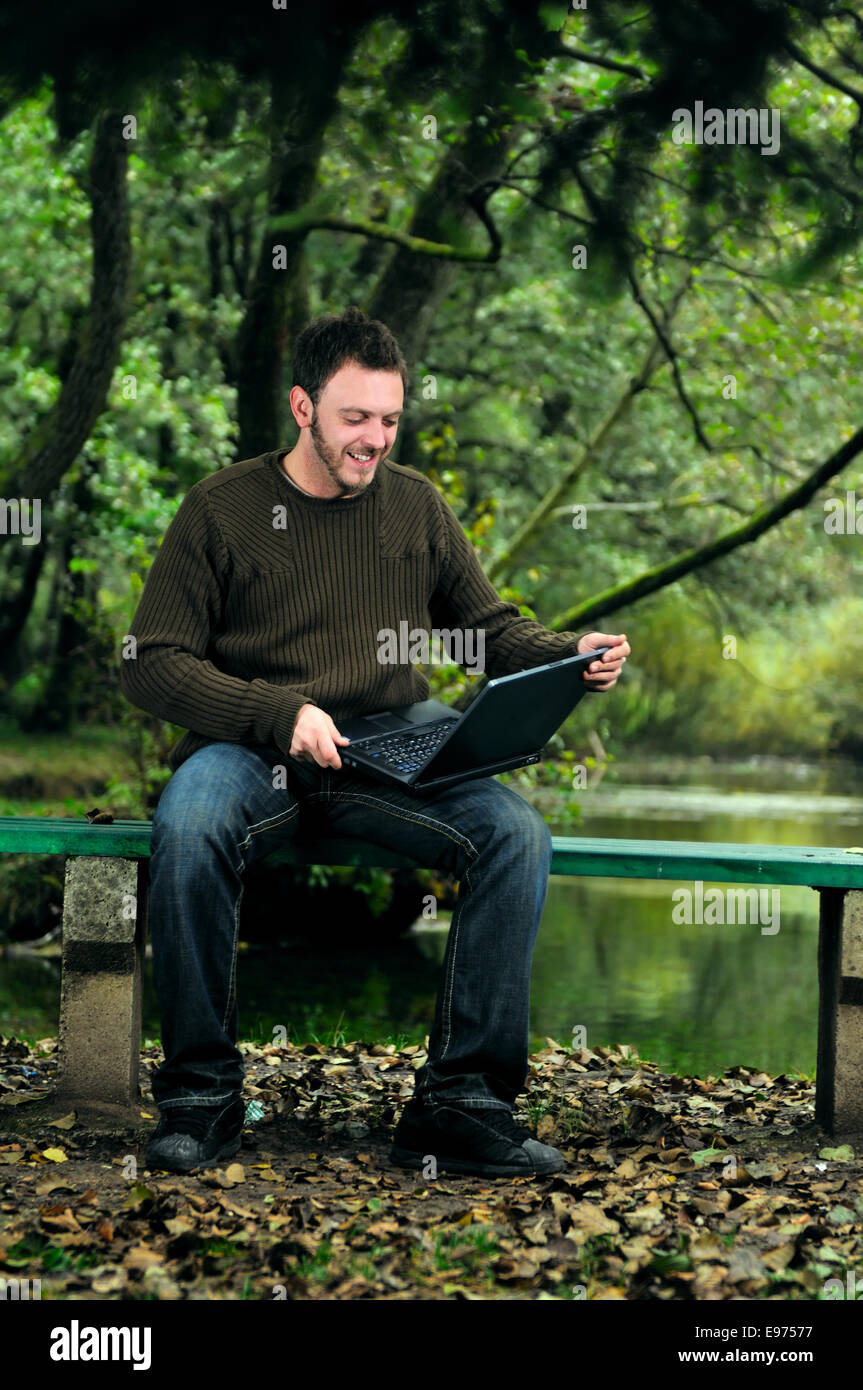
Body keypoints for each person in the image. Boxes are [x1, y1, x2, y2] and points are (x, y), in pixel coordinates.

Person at [120, 306, 629, 1178]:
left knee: (515, 835)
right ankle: (200, 1099)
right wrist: (274, 713)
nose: (374, 440)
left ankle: (460, 1103)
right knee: (190, 822)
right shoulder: (221, 508)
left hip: (386, 748)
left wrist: (566, 655)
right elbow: (150, 663)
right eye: (355, 418)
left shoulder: (414, 508)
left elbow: (488, 630)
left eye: (389, 420)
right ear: (302, 407)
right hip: (251, 749)